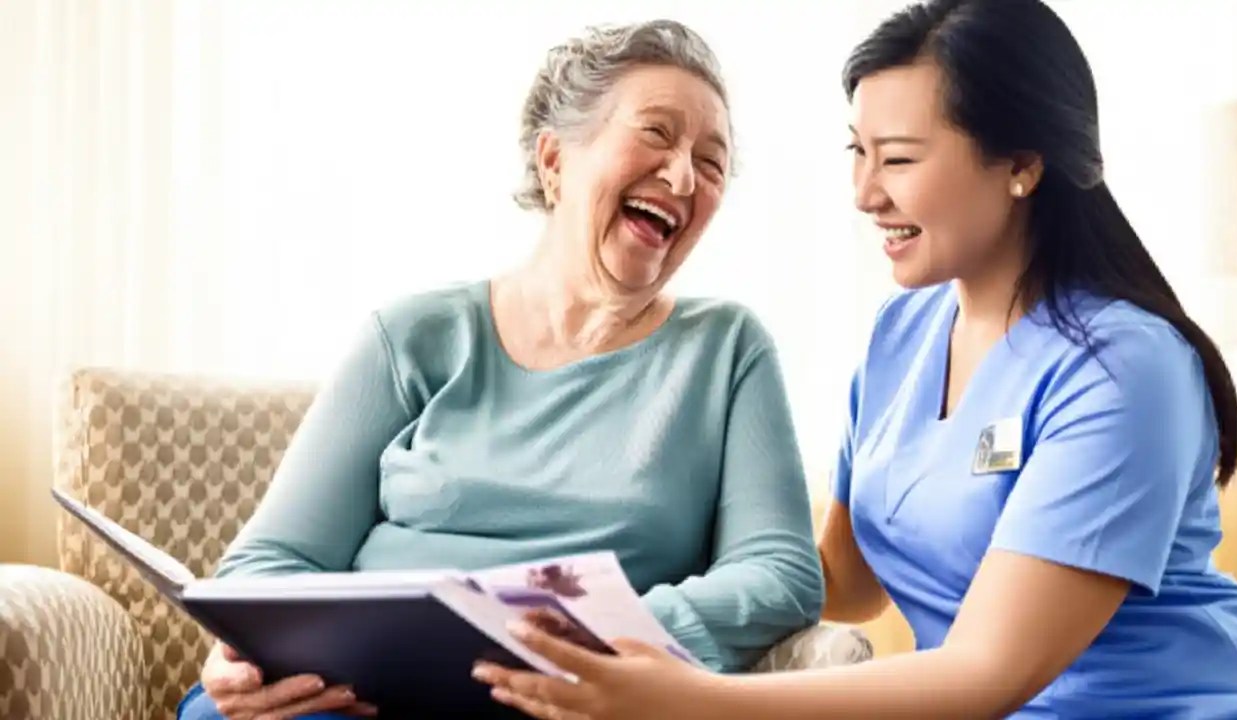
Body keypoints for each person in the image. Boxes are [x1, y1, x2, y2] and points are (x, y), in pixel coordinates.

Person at [472, 1, 1237, 717]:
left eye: (897, 159)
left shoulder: (1125, 371)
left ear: (1023, 165)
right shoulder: (905, 335)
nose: (864, 193)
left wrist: (694, 701)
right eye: (856, 152)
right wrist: (587, 573)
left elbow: (985, 673)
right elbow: (841, 580)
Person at [177, 19, 824, 720]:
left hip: (565, 701)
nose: (682, 175)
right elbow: (269, 562)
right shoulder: (413, 336)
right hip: (361, 699)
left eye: (712, 162)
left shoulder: (727, 350)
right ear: (554, 161)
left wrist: (595, 636)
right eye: (658, 134)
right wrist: (244, 655)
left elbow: (780, 574)